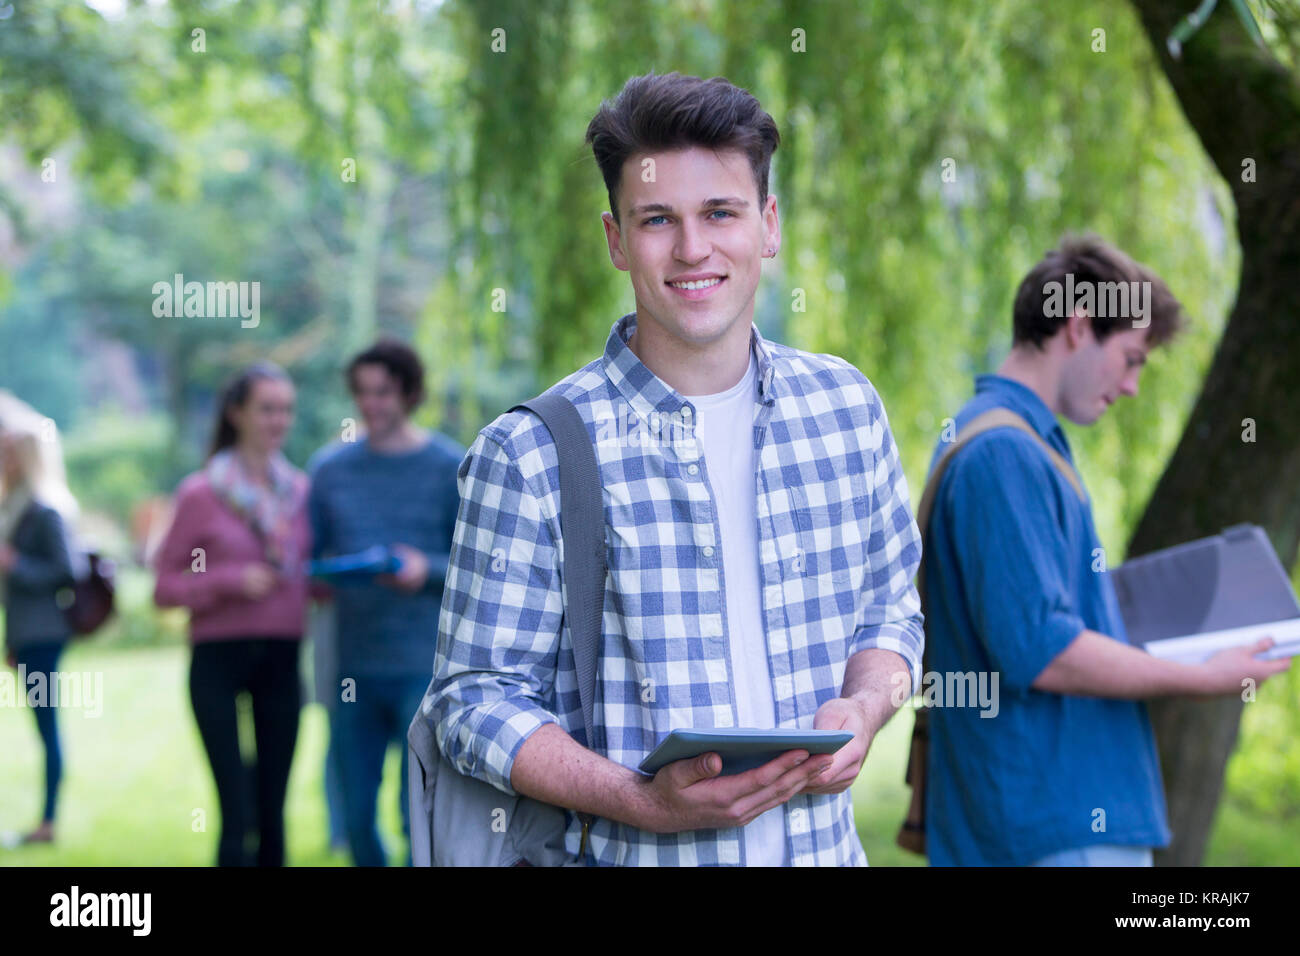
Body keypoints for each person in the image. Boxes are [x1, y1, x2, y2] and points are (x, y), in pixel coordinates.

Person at [427, 71, 924, 866]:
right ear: (617, 239)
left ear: (768, 225)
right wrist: (640, 802)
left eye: (719, 213)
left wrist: (867, 706)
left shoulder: (846, 408)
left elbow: (890, 614)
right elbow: (471, 702)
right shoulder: (530, 454)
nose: (692, 249)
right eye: (658, 219)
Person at [921, 235, 1292, 867]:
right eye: (1131, 358)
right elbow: (1045, 652)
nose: (1132, 387)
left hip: (1050, 824)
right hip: (1053, 828)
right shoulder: (1004, 454)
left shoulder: (1015, 444)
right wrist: (1203, 676)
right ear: (1078, 325)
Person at [307, 339, 464, 867]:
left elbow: (477, 566)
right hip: (352, 663)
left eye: (384, 393)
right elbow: (307, 557)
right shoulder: (329, 470)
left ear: (411, 394)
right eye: (363, 393)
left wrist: (426, 570)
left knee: (416, 810)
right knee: (352, 813)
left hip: (424, 667)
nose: (371, 405)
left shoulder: (449, 465)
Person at [153, 362, 310, 867]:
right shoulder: (200, 493)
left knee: (273, 808)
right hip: (218, 660)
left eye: (285, 409)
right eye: (266, 408)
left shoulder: (301, 493)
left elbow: (314, 576)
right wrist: (228, 581)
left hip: (283, 659)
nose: (277, 420)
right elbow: (163, 587)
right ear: (236, 413)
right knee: (235, 810)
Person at [1, 412, 81, 846]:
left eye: (10, 451)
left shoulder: (45, 508)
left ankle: (48, 822)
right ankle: (45, 820)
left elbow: (68, 570)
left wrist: (16, 565)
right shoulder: (14, 505)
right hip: (23, 634)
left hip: (43, 632)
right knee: (42, 727)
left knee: (47, 727)